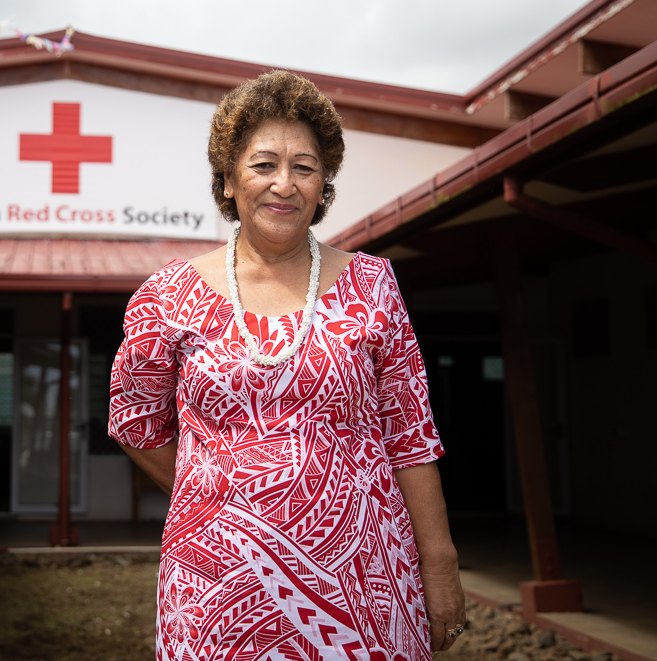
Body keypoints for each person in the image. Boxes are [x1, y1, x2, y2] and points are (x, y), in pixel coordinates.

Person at [108, 70, 466, 661]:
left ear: (324, 183)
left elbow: (410, 435)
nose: (285, 184)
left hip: (368, 583)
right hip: (217, 587)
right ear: (228, 178)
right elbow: (135, 423)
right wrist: (223, 498)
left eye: (304, 167)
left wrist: (441, 564)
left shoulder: (372, 284)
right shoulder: (167, 295)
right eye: (264, 164)